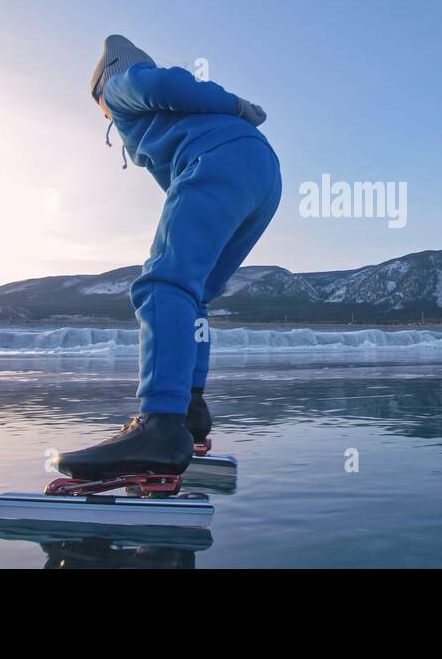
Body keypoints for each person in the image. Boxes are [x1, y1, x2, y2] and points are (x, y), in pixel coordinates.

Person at [54, 35, 281, 480]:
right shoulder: (169, 125)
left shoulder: (121, 82)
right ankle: (188, 411)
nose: (101, 111)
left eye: (96, 101)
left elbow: (168, 83)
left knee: (164, 284)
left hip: (223, 158)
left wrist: (238, 105)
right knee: (193, 295)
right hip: (264, 174)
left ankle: (158, 425)